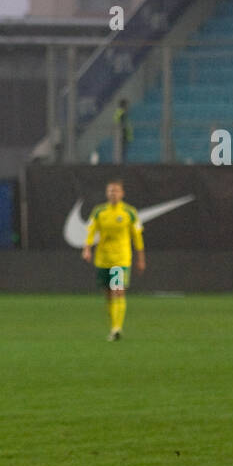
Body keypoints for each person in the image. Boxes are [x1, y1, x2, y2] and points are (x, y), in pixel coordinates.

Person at [81, 180, 145, 341]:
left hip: (120, 259)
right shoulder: (99, 211)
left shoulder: (129, 212)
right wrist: (87, 249)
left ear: (122, 193)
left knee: (118, 290)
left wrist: (141, 258)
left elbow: (137, 237)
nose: (113, 194)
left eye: (116, 191)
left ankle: (117, 328)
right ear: (106, 193)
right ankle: (113, 325)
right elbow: (91, 231)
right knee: (108, 295)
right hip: (103, 259)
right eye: (110, 191)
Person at [113, 98, 133, 163]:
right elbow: (122, 125)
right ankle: (121, 165)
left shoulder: (120, 112)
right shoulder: (122, 113)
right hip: (122, 135)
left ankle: (120, 163)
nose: (128, 107)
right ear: (124, 105)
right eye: (127, 105)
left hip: (122, 135)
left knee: (121, 152)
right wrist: (124, 135)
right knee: (122, 152)